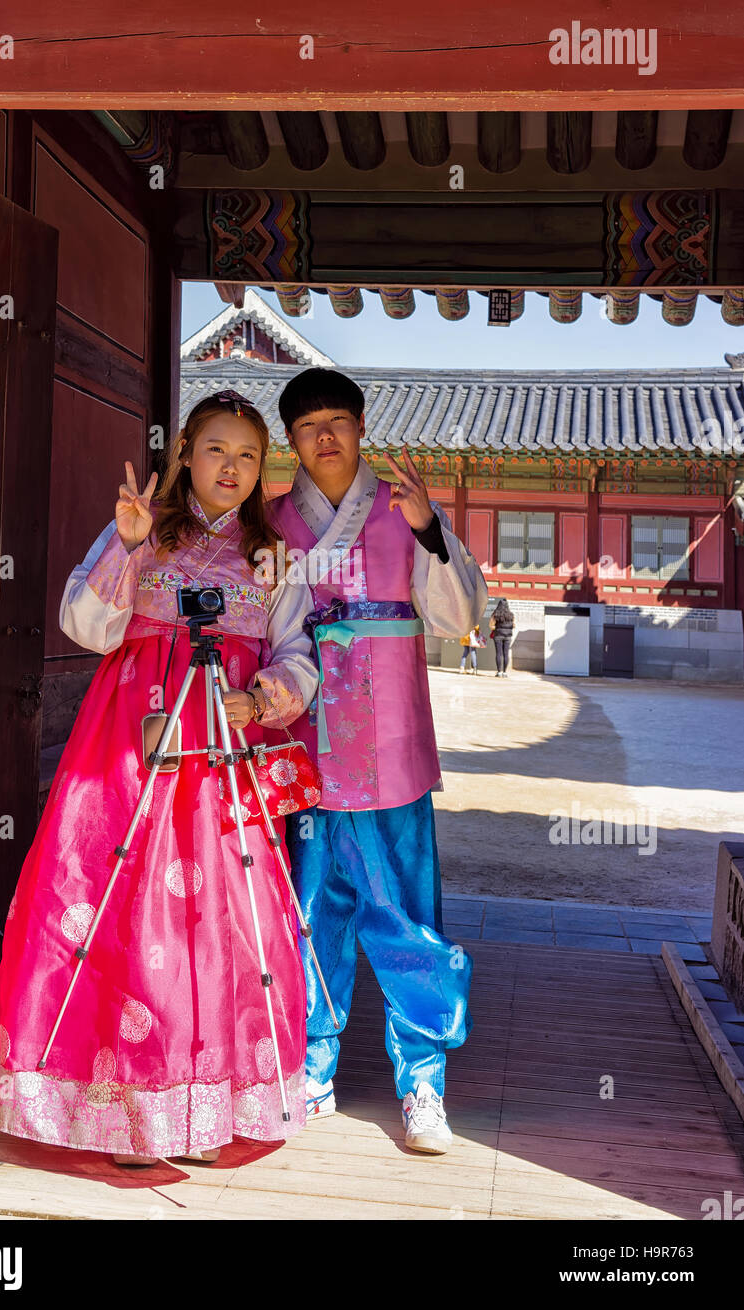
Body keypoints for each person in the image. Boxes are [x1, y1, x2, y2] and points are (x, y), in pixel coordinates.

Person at [0, 390, 318, 1168]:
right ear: (185, 457)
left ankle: (202, 1110)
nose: (229, 468)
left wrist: (259, 698)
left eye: (246, 455)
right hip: (127, 749)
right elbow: (86, 626)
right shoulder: (140, 530)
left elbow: (297, 653)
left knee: (214, 922)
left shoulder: (273, 558)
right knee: (115, 906)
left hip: (216, 755)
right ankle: (127, 1114)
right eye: (213, 450)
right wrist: (128, 545)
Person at [268, 367, 488, 1155]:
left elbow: (459, 615)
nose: (324, 437)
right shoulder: (272, 523)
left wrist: (431, 532)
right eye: (306, 427)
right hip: (305, 739)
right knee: (310, 910)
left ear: (361, 426)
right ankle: (308, 1062)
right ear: (289, 441)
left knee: (405, 911)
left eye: (337, 420)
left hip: (390, 740)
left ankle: (421, 1079)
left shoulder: (404, 511)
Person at [490, 597, 515, 677]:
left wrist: (498, 627)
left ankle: (499, 672)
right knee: (506, 653)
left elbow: (491, 626)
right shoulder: (511, 615)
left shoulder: (495, 614)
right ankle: (505, 672)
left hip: (498, 635)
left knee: (499, 653)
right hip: (508, 636)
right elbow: (514, 625)